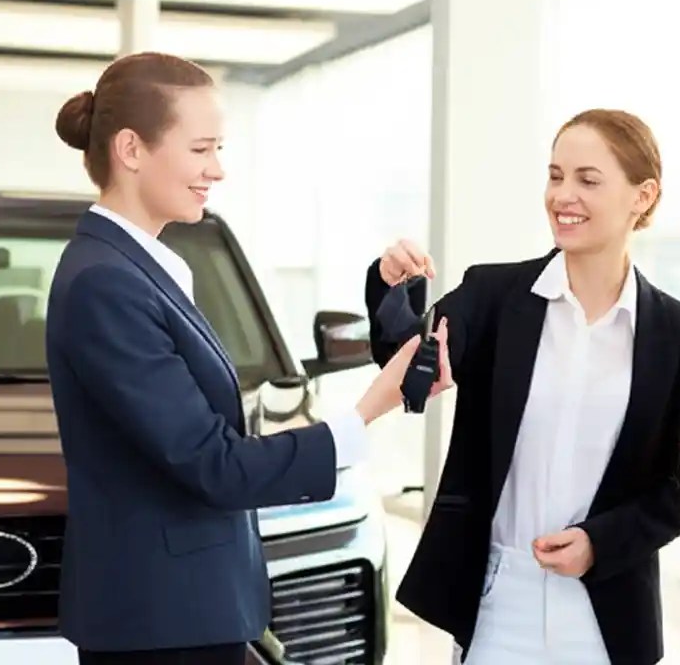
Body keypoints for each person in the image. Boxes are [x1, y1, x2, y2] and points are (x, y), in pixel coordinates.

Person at [44, 51, 452, 665]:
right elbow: (214, 464)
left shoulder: (141, 269)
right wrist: (371, 408)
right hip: (161, 625)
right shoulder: (108, 284)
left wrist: (384, 292)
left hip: (186, 612)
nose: (218, 170)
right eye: (202, 148)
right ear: (131, 150)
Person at [366, 108, 680, 665]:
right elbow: (404, 357)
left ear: (642, 196)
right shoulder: (495, 297)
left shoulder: (678, 334)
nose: (562, 195)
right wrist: (391, 288)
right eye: (555, 176)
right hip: (500, 598)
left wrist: (601, 543)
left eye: (587, 180)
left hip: (606, 610)